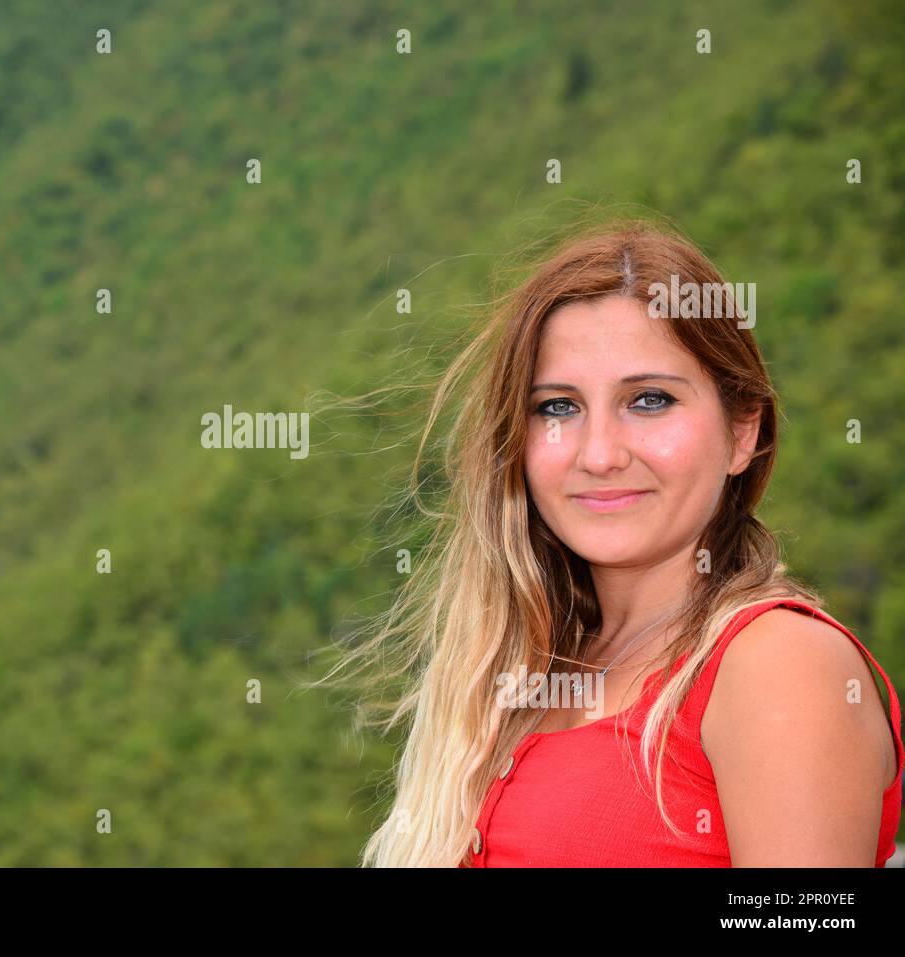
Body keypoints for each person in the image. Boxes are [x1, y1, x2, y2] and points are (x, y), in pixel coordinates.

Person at [324, 220, 902, 867]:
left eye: (649, 400)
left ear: (744, 430)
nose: (598, 453)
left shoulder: (777, 666)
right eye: (558, 408)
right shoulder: (529, 671)